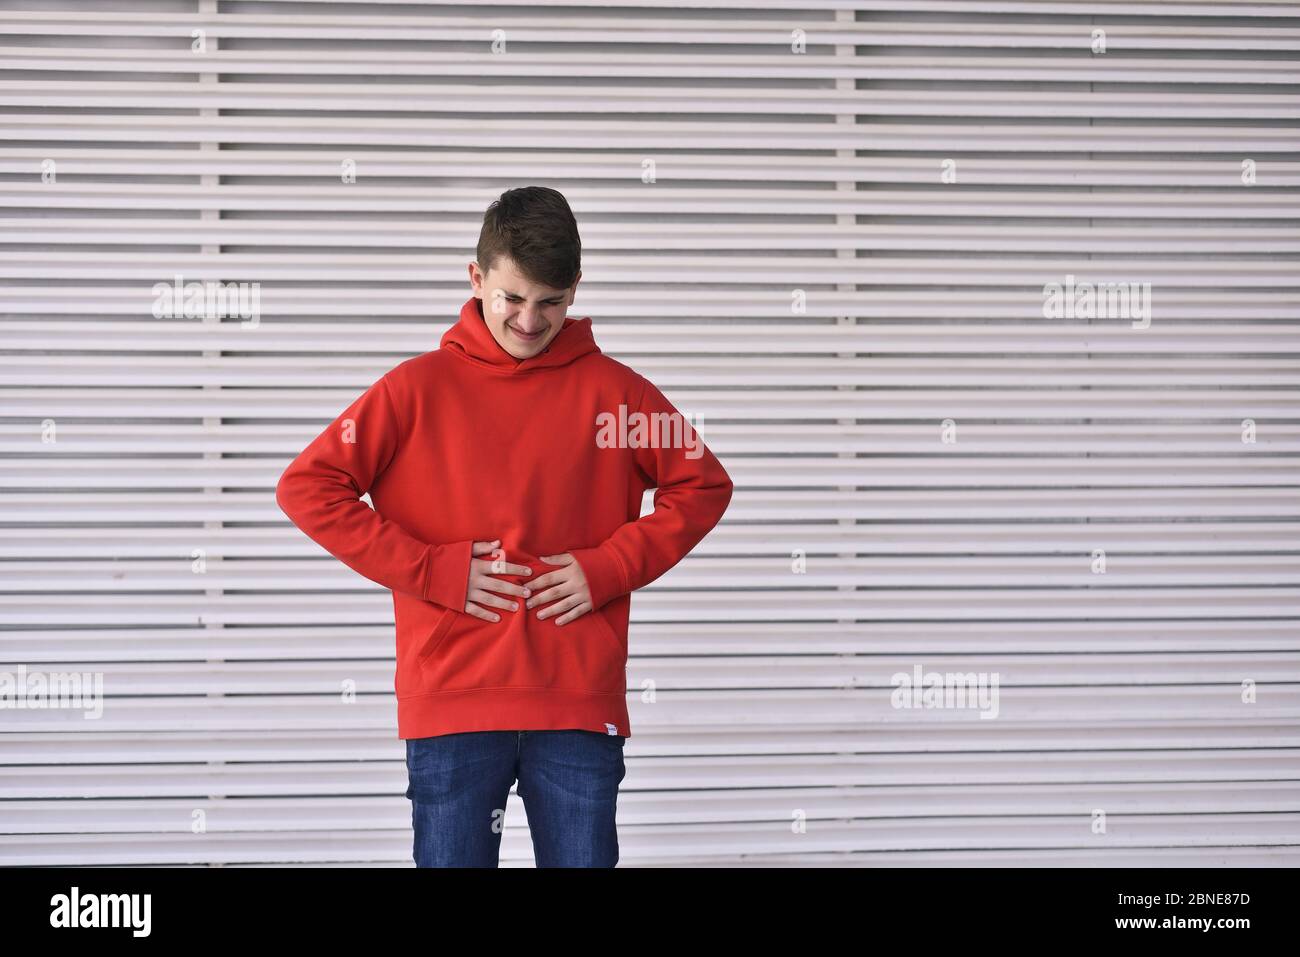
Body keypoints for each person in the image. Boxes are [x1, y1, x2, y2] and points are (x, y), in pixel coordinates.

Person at [274, 186, 734, 867]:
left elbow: (703, 483)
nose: (528, 318)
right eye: (511, 297)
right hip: (453, 699)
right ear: (476, 277)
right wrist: (433, 570)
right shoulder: (413, 390)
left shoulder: (618, 393)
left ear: (575, 290)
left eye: (550, 301)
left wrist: (608, 567)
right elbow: (307, 486)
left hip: (575, 700)